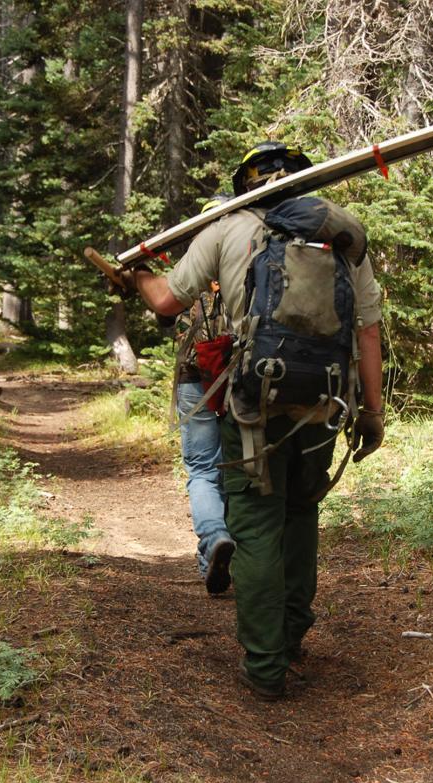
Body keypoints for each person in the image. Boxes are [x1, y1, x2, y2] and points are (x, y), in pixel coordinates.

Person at [126, 142, 386, 699]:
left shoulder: (226, 230)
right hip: (323, 404)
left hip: (253, 407)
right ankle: (291, 638)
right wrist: (373, 411)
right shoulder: (343, 235)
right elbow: (367, 330)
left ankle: (266, 666)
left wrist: (138, 277)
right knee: (300, 515)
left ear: (246, 184)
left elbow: (168, 302)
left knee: (258, 523)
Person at [173, 196, 235, 595]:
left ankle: (213, 542)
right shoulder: (248, 262)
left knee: (201, 468)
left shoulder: (191, 266)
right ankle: (237, 554)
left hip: (194, 375)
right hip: (237, 377)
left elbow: (166, 312)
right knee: (236, 466)